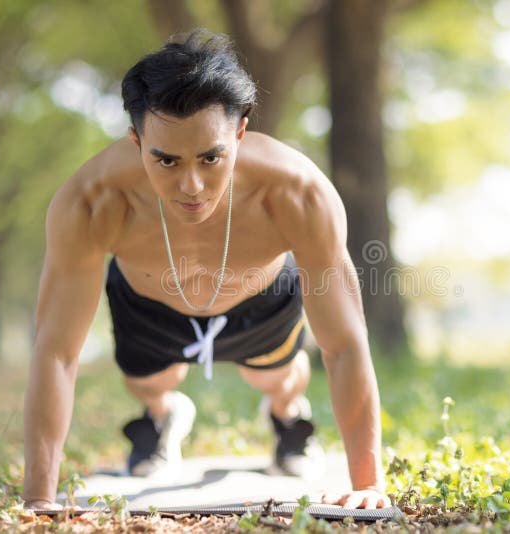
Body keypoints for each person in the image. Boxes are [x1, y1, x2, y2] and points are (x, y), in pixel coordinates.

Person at [22, 30, 388, 510]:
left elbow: (343, 345)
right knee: (148, 382)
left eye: (210, 158)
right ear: (136, 140)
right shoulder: (92, 202)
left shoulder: (299, 194)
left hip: (259, 300)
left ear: (240, 132)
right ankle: (162, 415)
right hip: (149, 305)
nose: (191, 185)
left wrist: (367, 487)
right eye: (166, 160)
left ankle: (286, 416)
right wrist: (37, 499)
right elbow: (57, 353)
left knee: (277, 378)